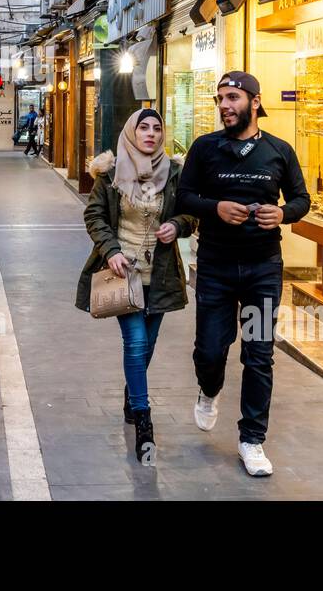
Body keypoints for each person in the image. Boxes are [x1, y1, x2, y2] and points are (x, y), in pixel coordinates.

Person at [177, 71, 309, 478]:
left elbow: (302, 199)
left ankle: (252, 439)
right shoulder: (205, 148)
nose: (224, 106)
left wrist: (282, 214)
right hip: (215, 266)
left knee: (259, 354)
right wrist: (215, 208)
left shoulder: (279, 151)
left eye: (232, 97)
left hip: (262, 269)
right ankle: (209, 389)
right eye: (220, 98)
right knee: (210, 350)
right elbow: (184, 197)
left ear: (255, 101)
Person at [79, 109, 195, 464]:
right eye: (143, 127)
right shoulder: (110, 173)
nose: (151, 134)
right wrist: (111, 250)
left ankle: (133, 394)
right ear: (131, 132)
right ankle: (144, 420)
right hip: (123, 274)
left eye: (157, 128)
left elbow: (191, 214)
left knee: (149, 343)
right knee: (136, 341)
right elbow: (94, 215)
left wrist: (177, 225)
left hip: (160, 276)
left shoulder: (175, 172)